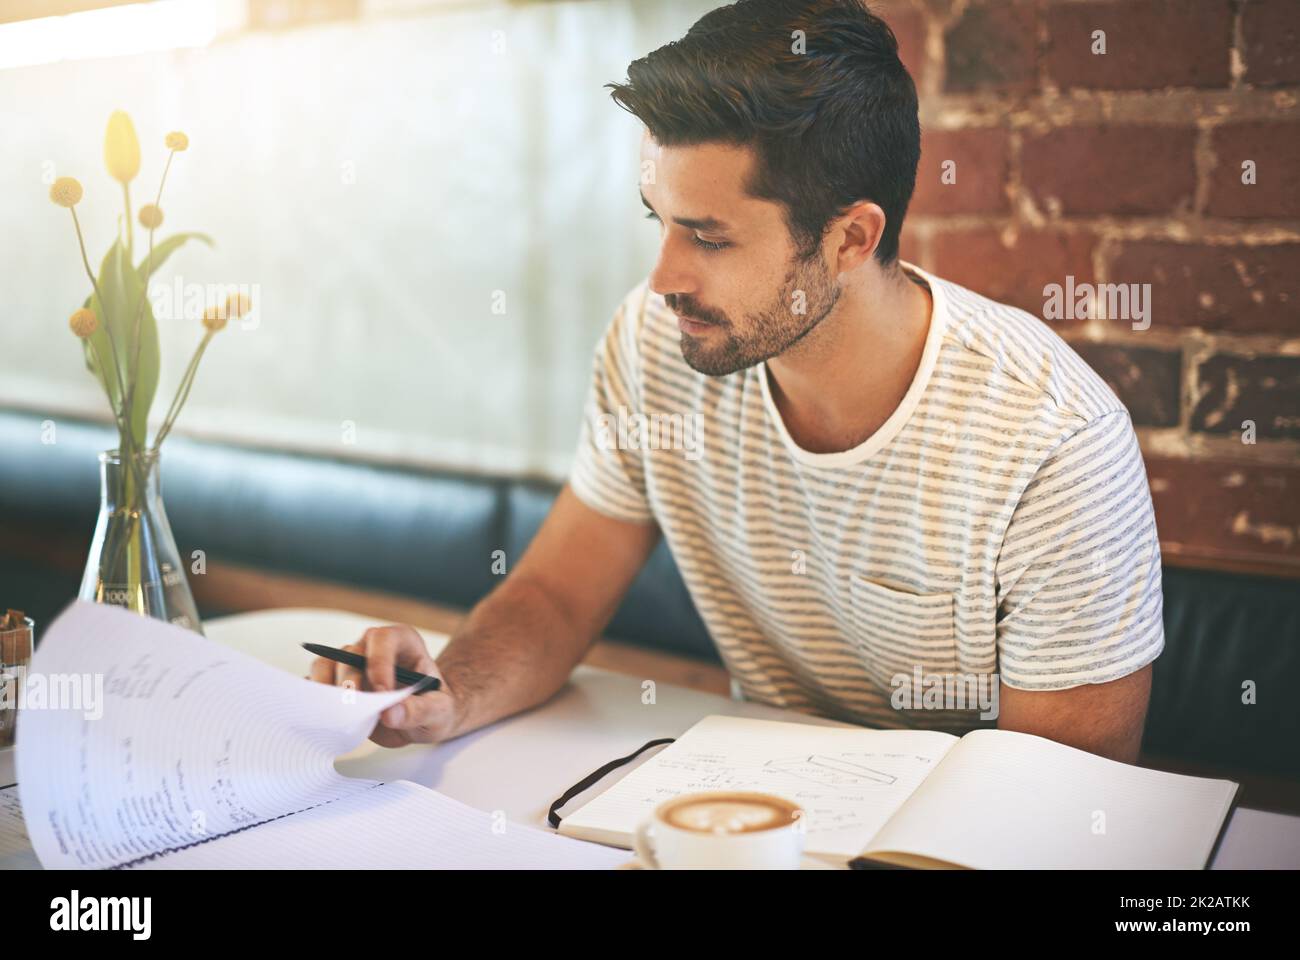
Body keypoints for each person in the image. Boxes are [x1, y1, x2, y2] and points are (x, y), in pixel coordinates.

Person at [309, 0, 1163, 764]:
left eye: (709, 239)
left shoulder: (1053, 442)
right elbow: (557, 594)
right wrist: (445, 695)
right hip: (751, 816)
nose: (663, 279)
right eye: (661, 223)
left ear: (851, 240)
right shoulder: (656, 344)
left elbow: (1057, 801)